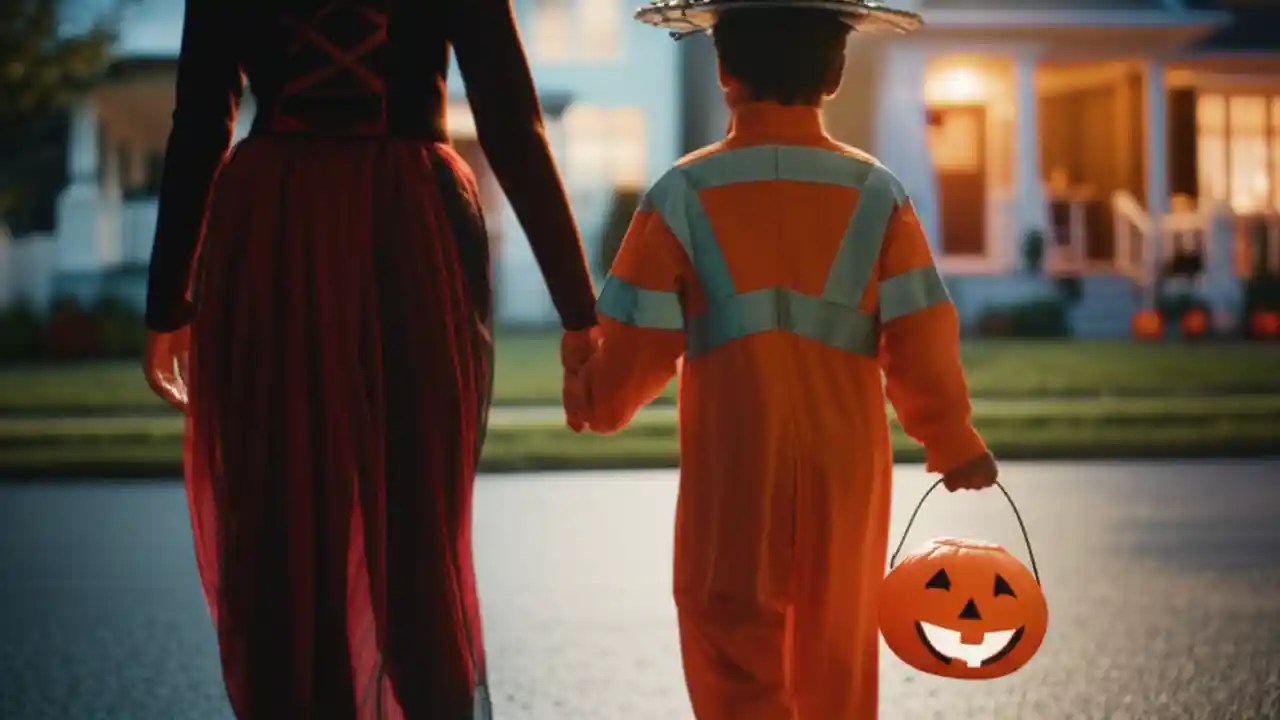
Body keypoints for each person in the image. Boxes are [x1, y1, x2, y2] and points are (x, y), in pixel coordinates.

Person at [142, 0, 597, 717]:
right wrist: (578, 308)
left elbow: (201, 119)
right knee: (418, 510)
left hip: (276, 227)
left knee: (282, 511)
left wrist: (168, 301)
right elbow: (511, 122)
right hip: (406, 222)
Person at [563, 1, 998, 717]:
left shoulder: (681, 194)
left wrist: (592, 395)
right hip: (843, 470)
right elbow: (921, 334)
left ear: (725, 71)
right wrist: (952, 442)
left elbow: (634, 346)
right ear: (835, 75)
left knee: (729, 635)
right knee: (834, 646)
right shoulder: (877, 194)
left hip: (733, 465)